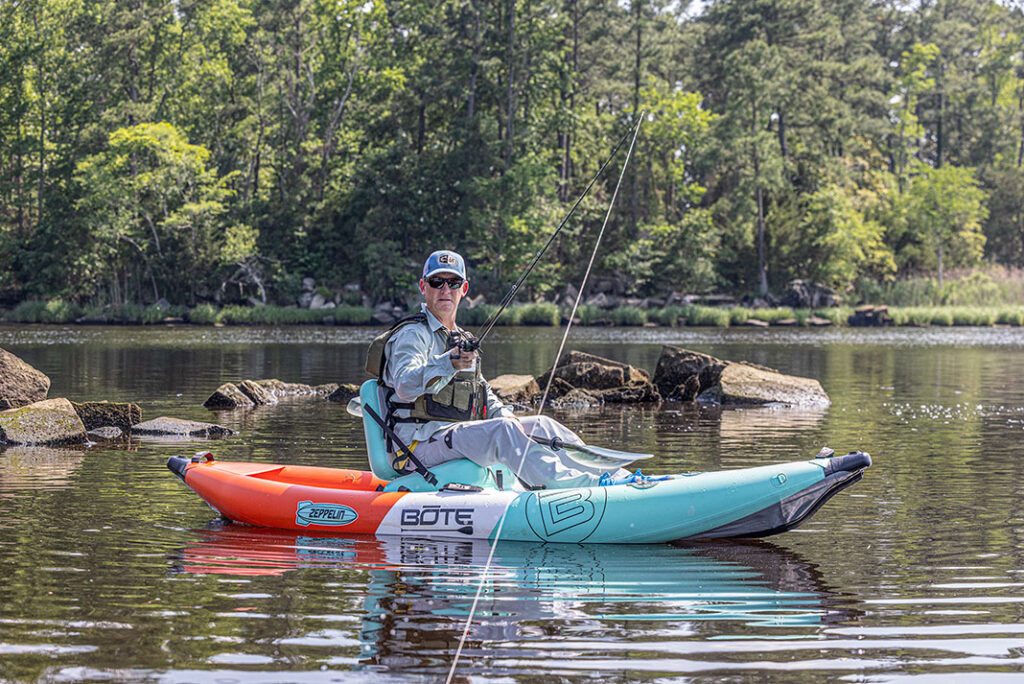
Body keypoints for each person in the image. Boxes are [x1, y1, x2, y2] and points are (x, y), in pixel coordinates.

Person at [376, 249, 633, 489]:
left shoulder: (462, 339)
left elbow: (483, 394)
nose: (445, 289)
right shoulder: (412, 335)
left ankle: (621, 478)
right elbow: (405, 385)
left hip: (455, 436)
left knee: (541, 425)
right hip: (415, 447)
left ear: (464, 289)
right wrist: (448, 362)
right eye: (436, 282)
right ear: (424, 287)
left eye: (453, 283)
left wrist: (507, 416)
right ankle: (578, 487)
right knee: (503, 431)